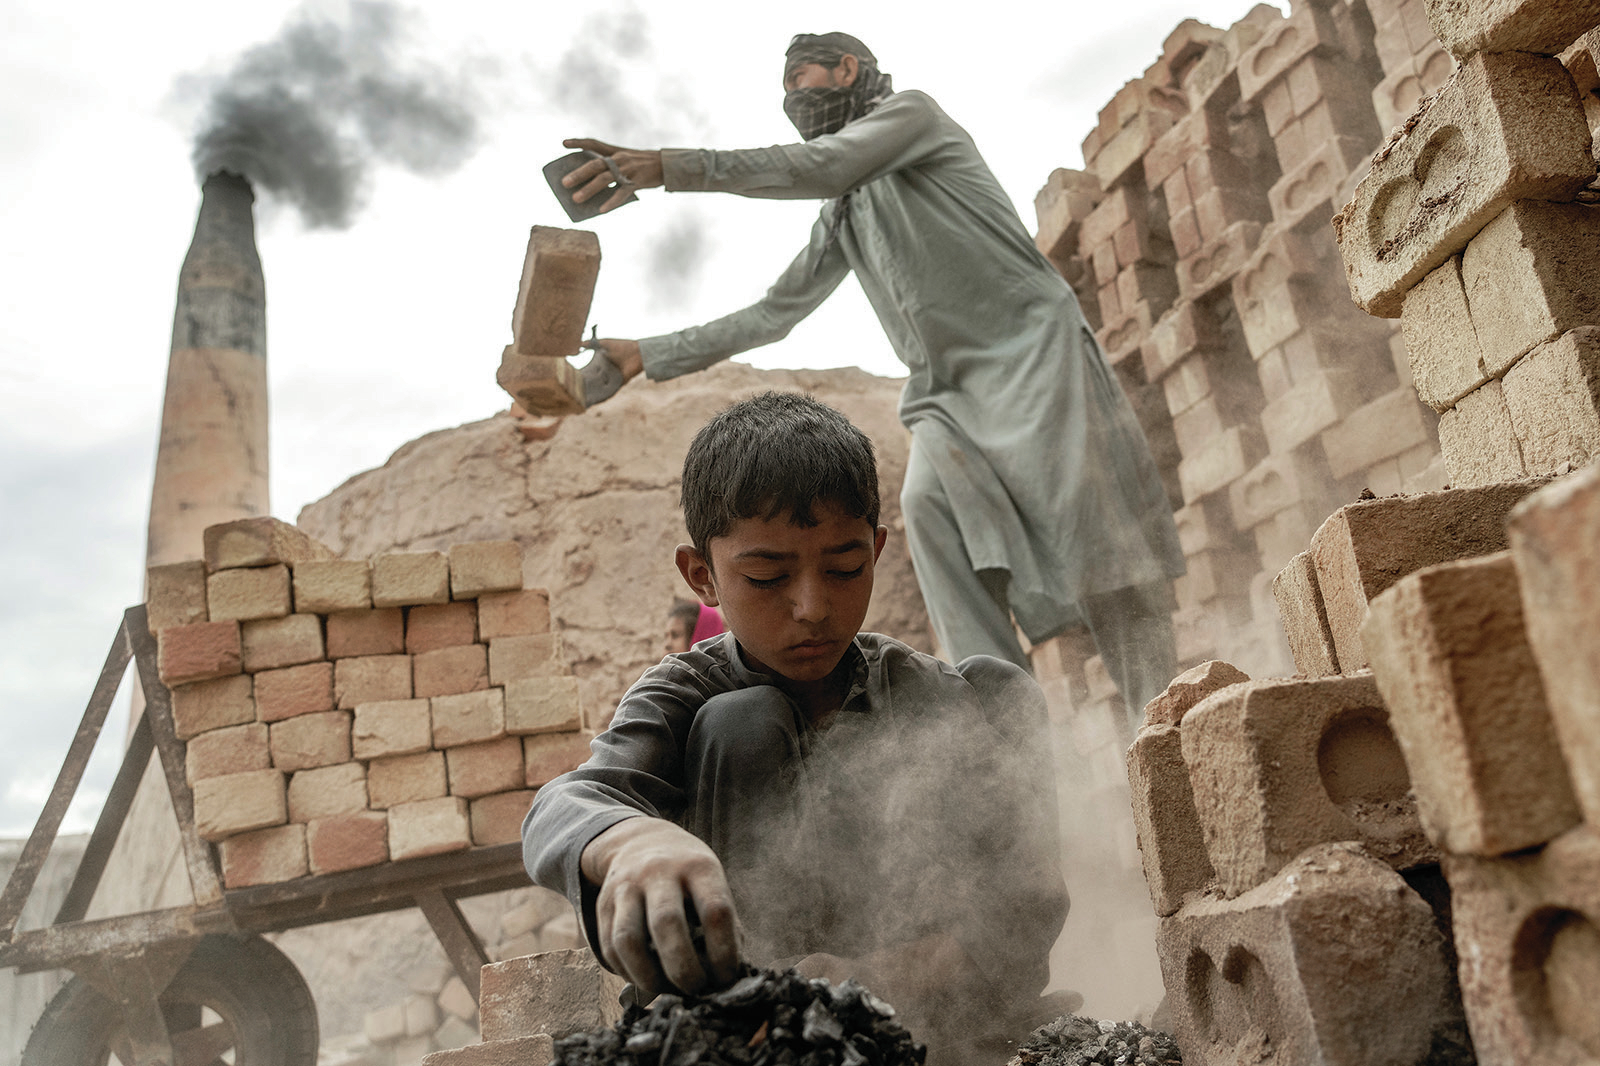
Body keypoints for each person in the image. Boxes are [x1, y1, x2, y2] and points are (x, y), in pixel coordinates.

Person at [561, 31, 1186, 728]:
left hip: (1035, 361)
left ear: (848, 70)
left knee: (1101, 554)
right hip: (943, 399)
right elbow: (775, 312)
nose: (795, 98)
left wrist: (664, 166)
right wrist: (643, 355)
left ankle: (1166, 726)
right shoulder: (846, 211)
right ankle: (1006, 745)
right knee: (930, 515)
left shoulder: (912, 119)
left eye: (804, 79)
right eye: (786, 90)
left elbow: (821, 164)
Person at [522, 393, 1069, 1062]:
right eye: (766, 576)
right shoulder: (686, 691)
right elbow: (564, 804)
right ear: (704, 577)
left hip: (930, 1012)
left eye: (844, 569)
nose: (812, 607)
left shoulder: (927, 694)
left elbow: (1024, 897)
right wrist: (635, 844)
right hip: (746, 1030)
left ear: (875, 549)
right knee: (742, 721)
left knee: (1003, 687)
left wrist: (896, 975)